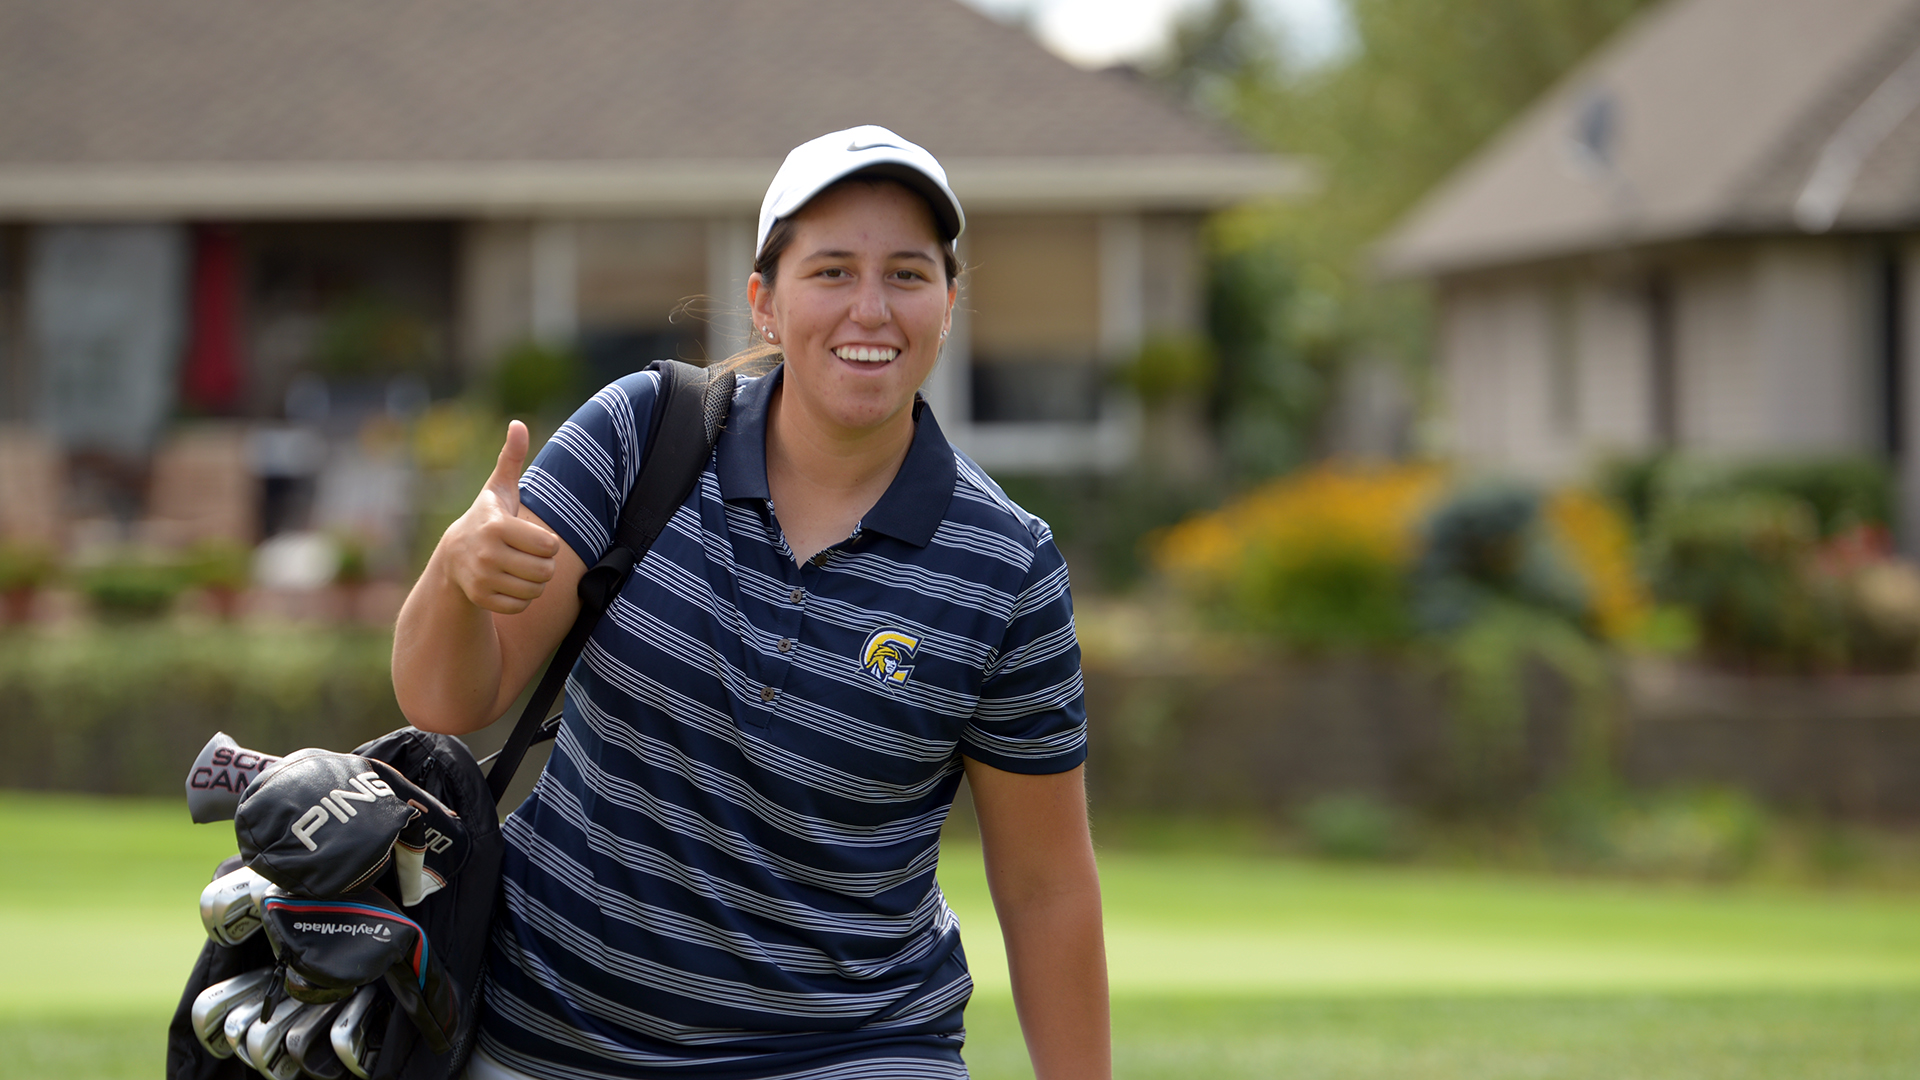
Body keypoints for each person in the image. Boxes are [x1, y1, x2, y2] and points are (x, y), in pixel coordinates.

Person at [392, 125, 1109, 1080]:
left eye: (906, 274)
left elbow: (1045, 884)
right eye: (830, 272)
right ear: (765, 305)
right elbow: (445, 704)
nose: (870, 308)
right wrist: (454, 574)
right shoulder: (639, 434)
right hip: (552, 1041)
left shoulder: (1006, 564)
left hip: (852, 1050)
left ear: (947, 302)